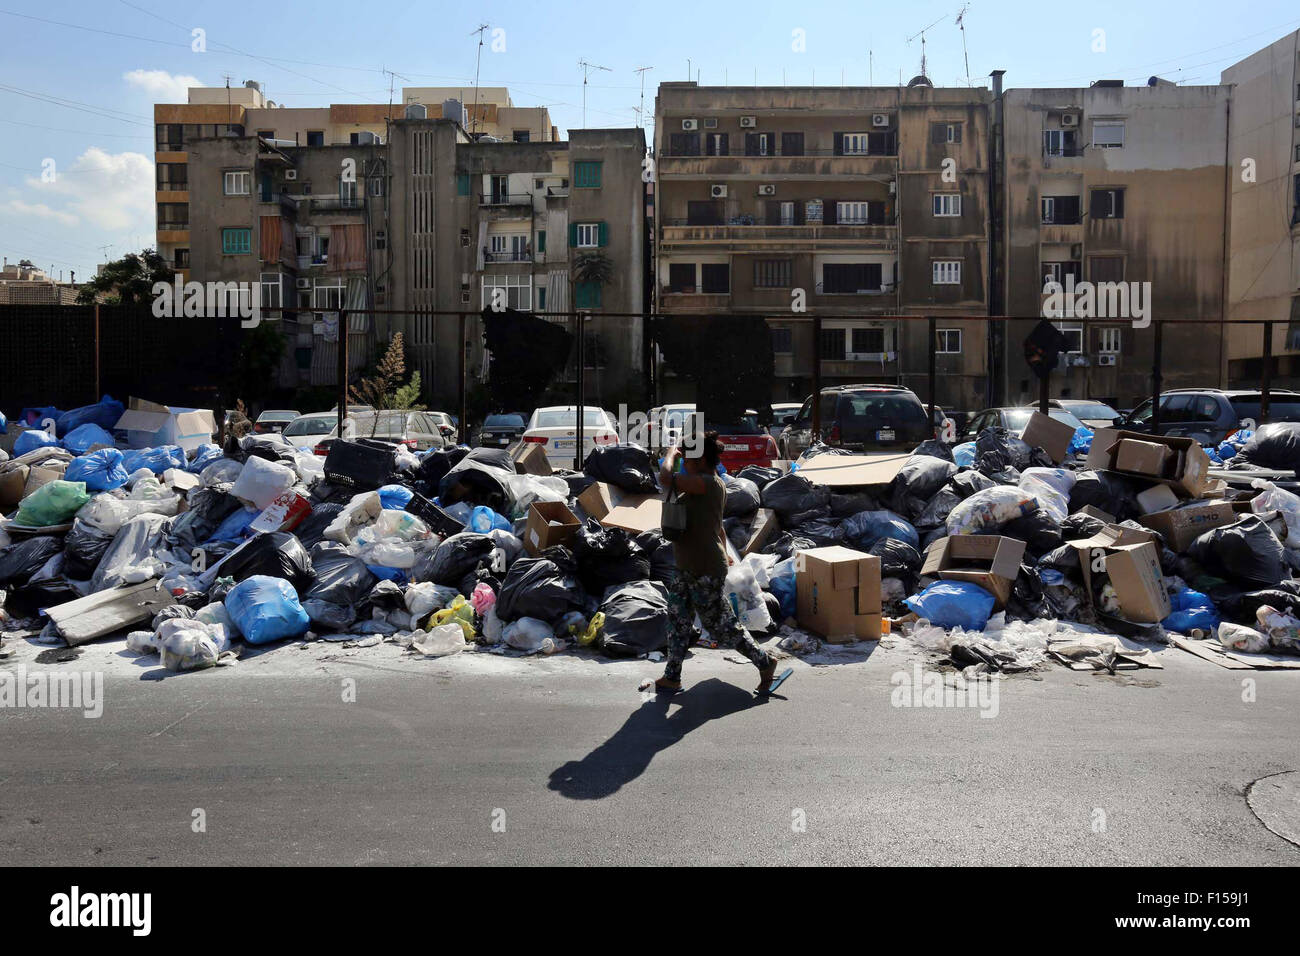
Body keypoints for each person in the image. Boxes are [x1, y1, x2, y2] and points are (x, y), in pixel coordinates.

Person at [652, 431, 776, 694]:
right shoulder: (701, 483)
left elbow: (665, 478)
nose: (684, 462)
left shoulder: (708, 483)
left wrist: (671, 453)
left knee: (720, 625)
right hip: (687, 565)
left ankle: (765, 662)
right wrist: (725, 548)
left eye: (688, 458)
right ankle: (672, 676)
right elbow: (717, 524)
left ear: (698, 460)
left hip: (705, 567)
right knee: (677, 620)